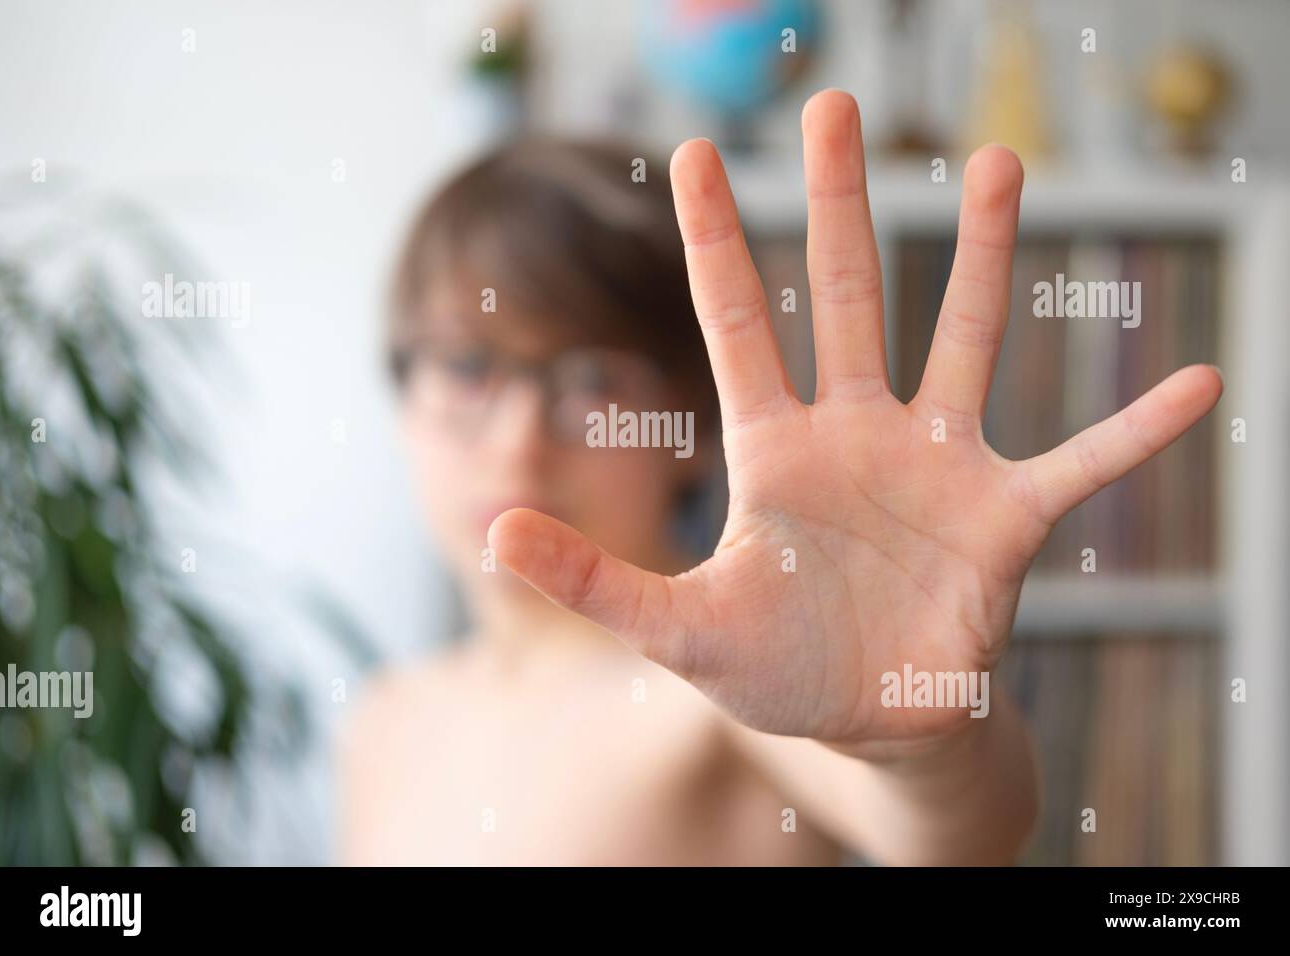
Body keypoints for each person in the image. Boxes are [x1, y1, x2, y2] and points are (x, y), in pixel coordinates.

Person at [338, 90, 1223, 865]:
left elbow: (959, 834)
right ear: (401, 388)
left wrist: (918, 731)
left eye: (595, 380)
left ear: (695, 422)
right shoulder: (383, 721)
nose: (519, 444)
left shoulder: (729, 684)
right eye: (465, 367)